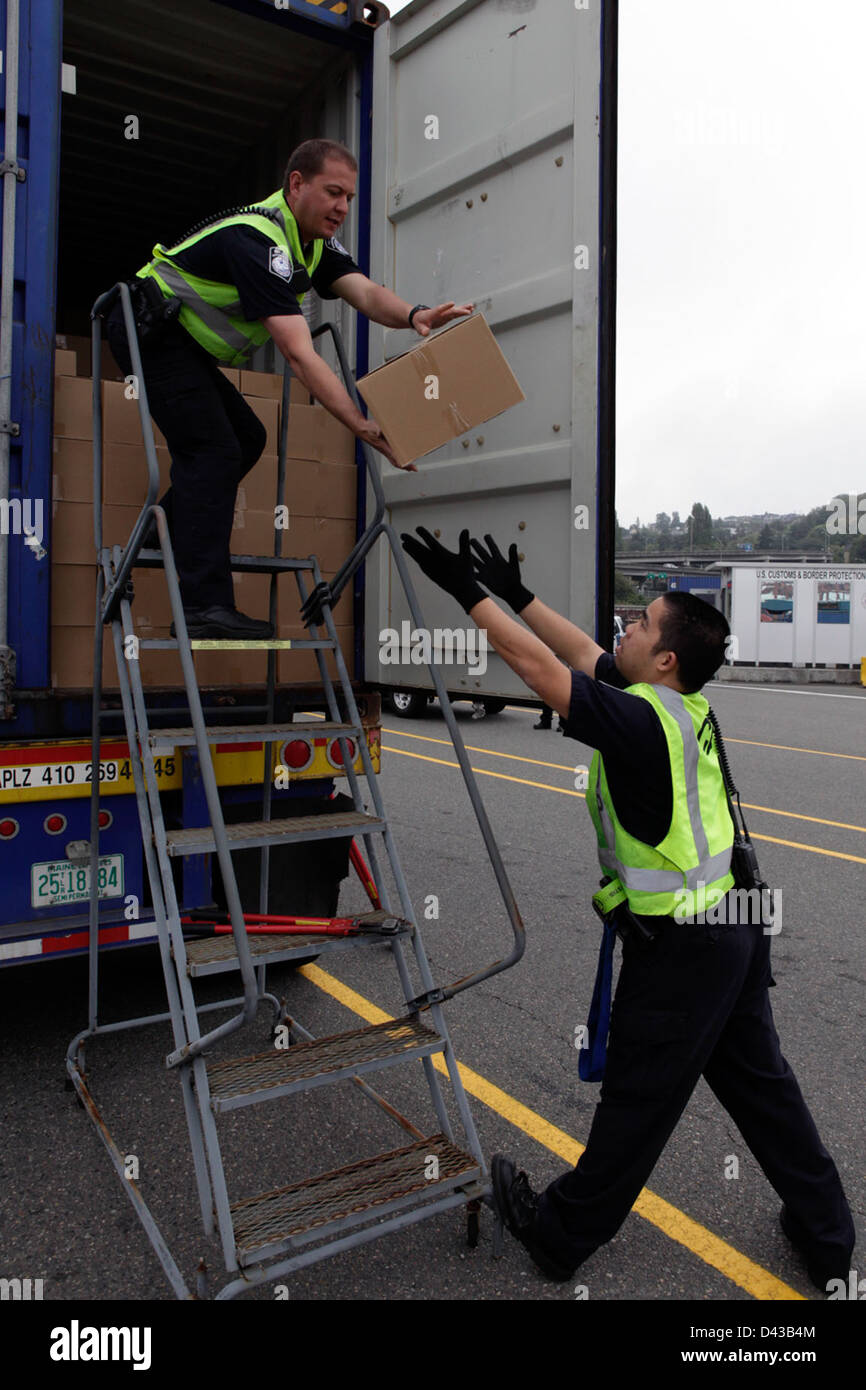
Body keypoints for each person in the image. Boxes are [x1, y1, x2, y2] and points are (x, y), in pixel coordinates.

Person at [400, 526, 856, 1294]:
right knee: (763, 1088)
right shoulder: (679, 709)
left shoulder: (643, 724)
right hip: (735, 925)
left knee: (640, 1099)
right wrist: (519, 596)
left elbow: (541, 670)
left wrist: (467, 597)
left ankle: (559, 1234)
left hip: (687, 952)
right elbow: (582, 655)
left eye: (642, 624)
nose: (627, 630)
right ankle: (828, 1235)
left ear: (667, 657)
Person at [105, 138, 473, 638]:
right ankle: (201, 607)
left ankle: (165, 528)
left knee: (246, 439)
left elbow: (362, 290)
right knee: (212, 449)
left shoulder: (312, 242)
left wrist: (415, 315)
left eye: (349, 198)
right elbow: (300, 355)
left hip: (181, 344)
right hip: (145, 329)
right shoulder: (258, 241)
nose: (342, 207)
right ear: (296, 184)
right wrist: (362, 425)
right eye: (333, 193)